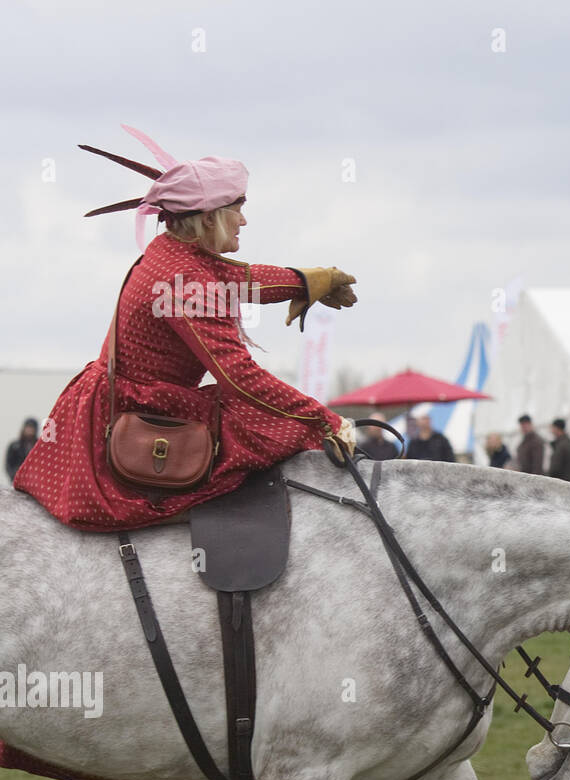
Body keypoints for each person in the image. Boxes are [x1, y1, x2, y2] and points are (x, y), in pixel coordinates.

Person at [13, 128, 357, 530]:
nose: (244, 218)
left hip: (115, 403)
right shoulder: (184, 282)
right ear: (209, 216)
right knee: (275, 426)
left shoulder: (173, 251)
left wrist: (310, 281)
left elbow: (239, 278)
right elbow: (240, 378)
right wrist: (325, 421)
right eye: (237, 207)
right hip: (139, 417)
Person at [548, 418, 570, 483]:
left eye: (552, 428)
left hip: (564, 483)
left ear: (556, 428)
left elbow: (555, 468)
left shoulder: (560, 446)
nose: (551, 431)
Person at [5, 418, 38, 484]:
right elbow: (8, 464)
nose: (29, 430)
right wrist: (14, 476)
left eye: (32, 428)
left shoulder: (38, 446)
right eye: (28, 427)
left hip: (33, 481)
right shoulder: (14, 446)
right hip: (16, 479)